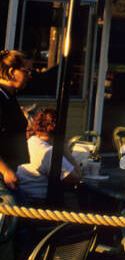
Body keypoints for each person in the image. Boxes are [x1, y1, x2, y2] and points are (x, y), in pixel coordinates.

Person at [15, 108, 81, 203]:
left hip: (23, 195)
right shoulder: (49, 152)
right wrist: (66, 151)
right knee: (74, 201)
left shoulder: (31, 141)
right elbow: (76, 177)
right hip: (38, 201)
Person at [0, 49, 33, 190]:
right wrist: (5, 170)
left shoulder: (9, 97)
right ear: (12, 72)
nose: (30, 76)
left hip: (12, 173)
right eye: (27, 71)